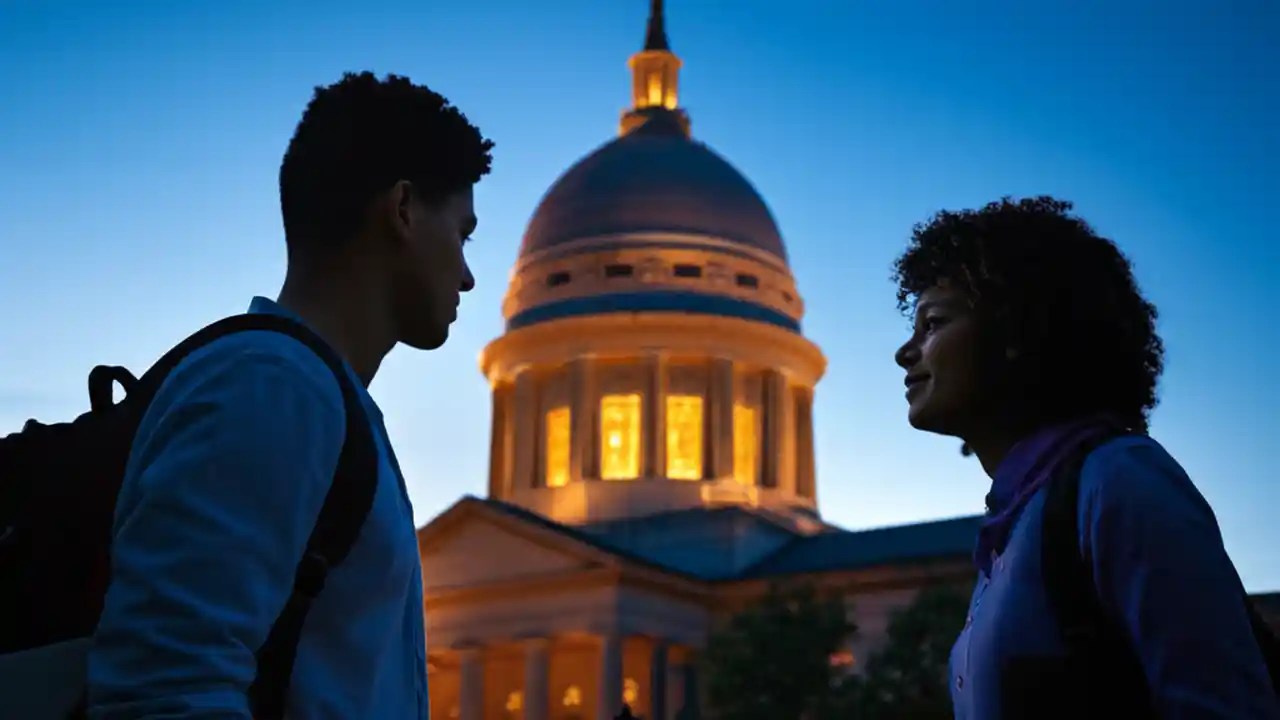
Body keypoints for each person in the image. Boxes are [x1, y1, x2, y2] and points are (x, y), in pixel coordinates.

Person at [85, 71, 494, 718]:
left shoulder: (315, 399)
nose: (469, 277)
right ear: (404, 210)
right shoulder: (273, 387)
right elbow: (168, 687)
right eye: (464, 234)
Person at [892, 196, 1279, 719]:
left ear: (1016, 330)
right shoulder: (1011, 527)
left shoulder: (1117, 480)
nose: (905, 351)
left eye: (934, 323)